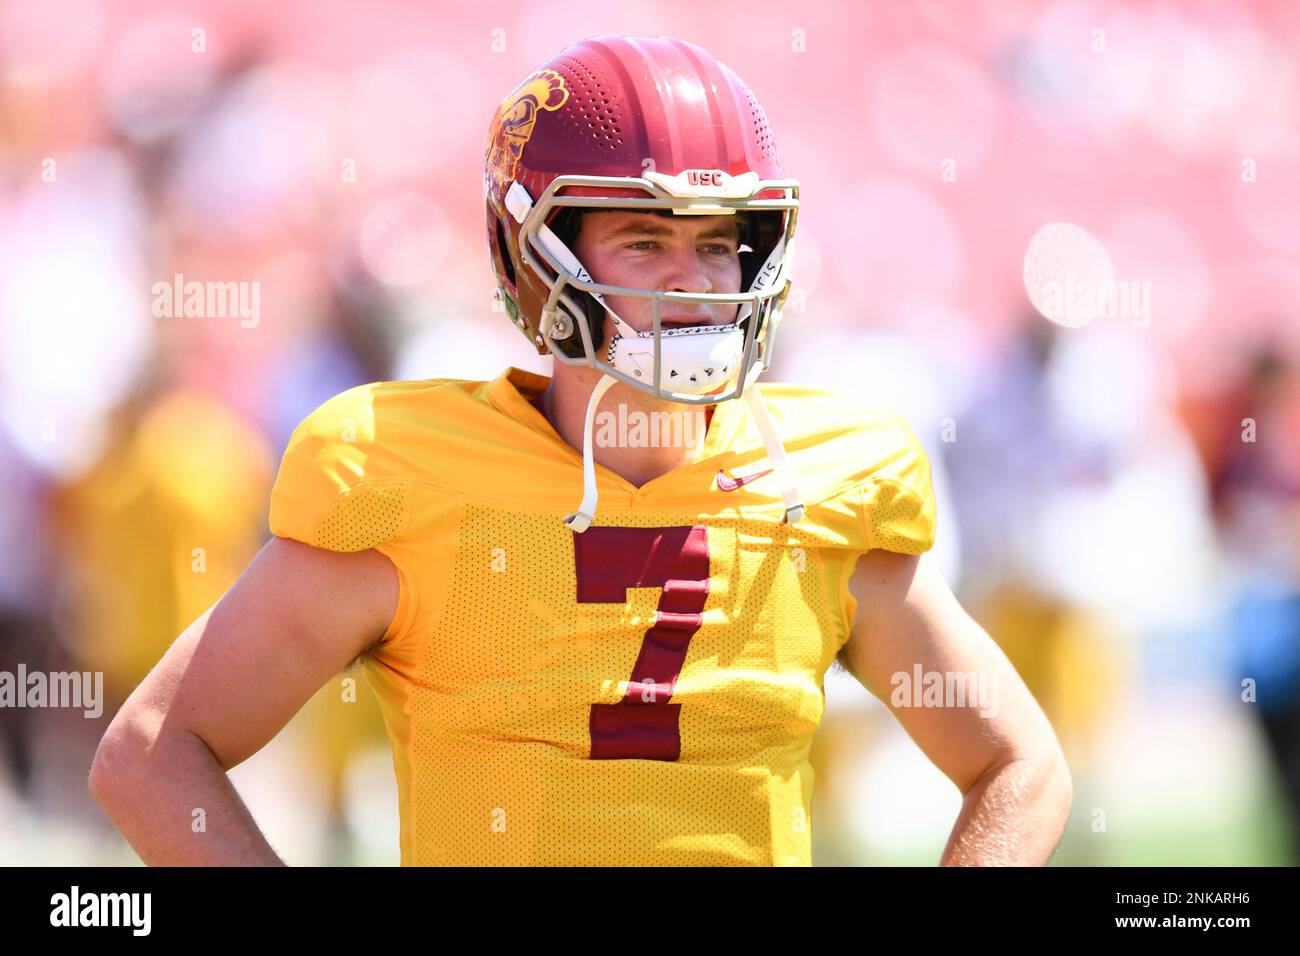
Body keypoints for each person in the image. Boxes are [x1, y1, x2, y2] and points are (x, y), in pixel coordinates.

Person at [89, 34, 1071, 866]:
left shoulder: (814, 487)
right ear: (536, 261)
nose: (693, 281)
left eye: (719, 243)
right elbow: (149, 751)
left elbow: (1019, 764)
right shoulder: (407, 482)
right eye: (643, 243)